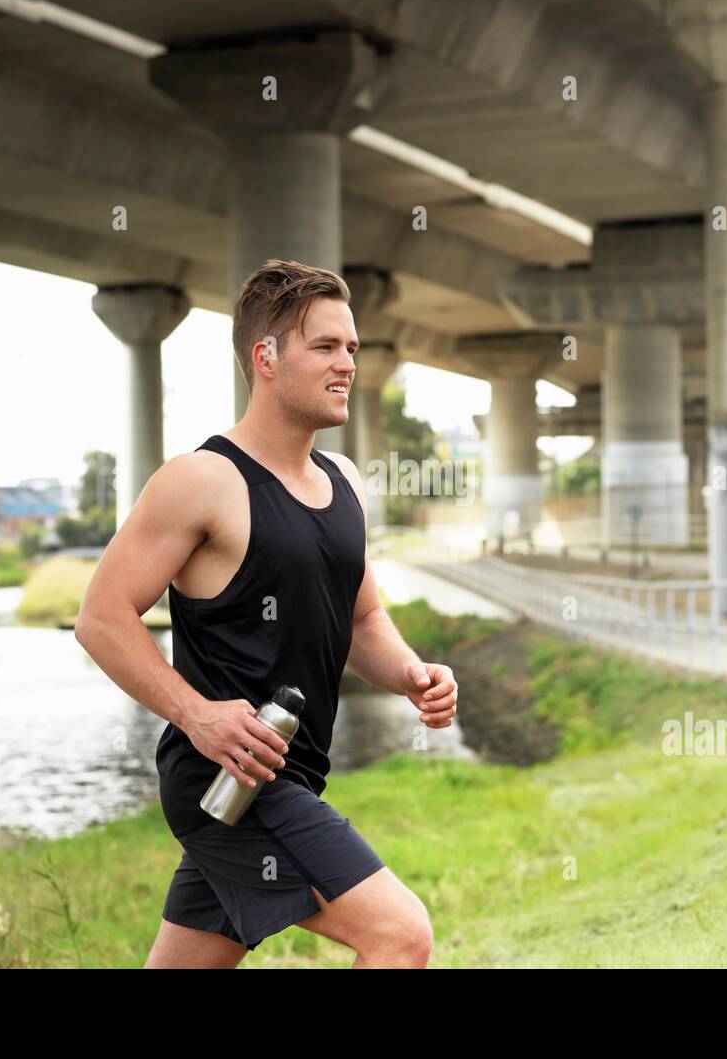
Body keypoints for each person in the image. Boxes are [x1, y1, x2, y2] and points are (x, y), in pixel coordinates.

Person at [75, 258, 458, 968]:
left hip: (282, 777)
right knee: (401, 935)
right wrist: (199, 714)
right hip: (221, 780)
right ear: (267, 357)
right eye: (325, 346)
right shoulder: (201, 481)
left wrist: (411, 673)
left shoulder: (343, 481)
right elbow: (100, 618)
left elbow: (363, 619)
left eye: (351, 346)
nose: (347, 362)